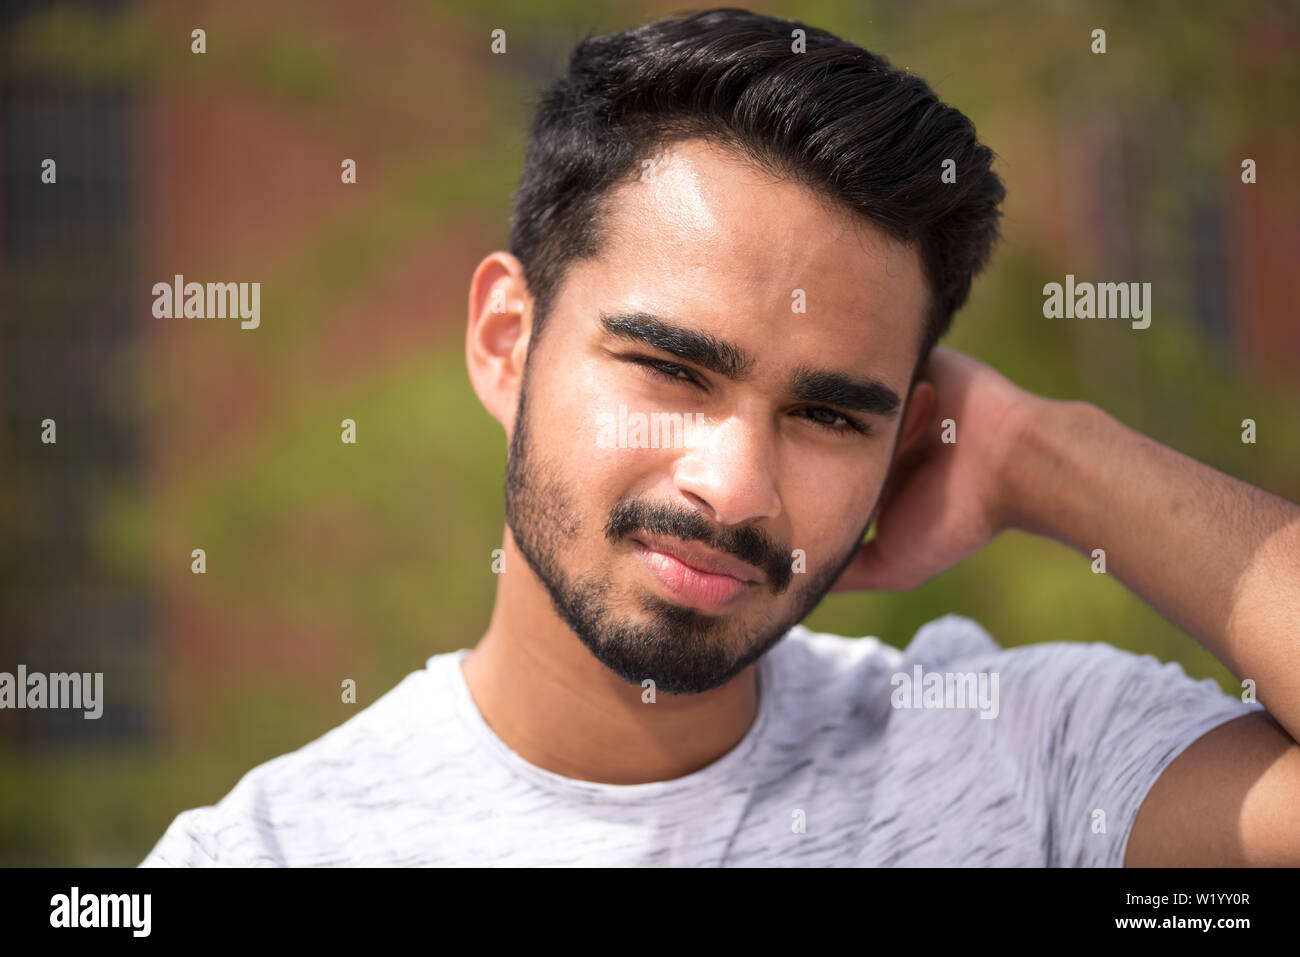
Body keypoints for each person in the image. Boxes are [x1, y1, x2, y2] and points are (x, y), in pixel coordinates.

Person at [141, 7, 1300, 867]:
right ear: (507, 341)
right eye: (671, 368)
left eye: (828, 415)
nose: (735, 487)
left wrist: (1050, 458)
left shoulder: (1019, 759)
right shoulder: (265, 853)